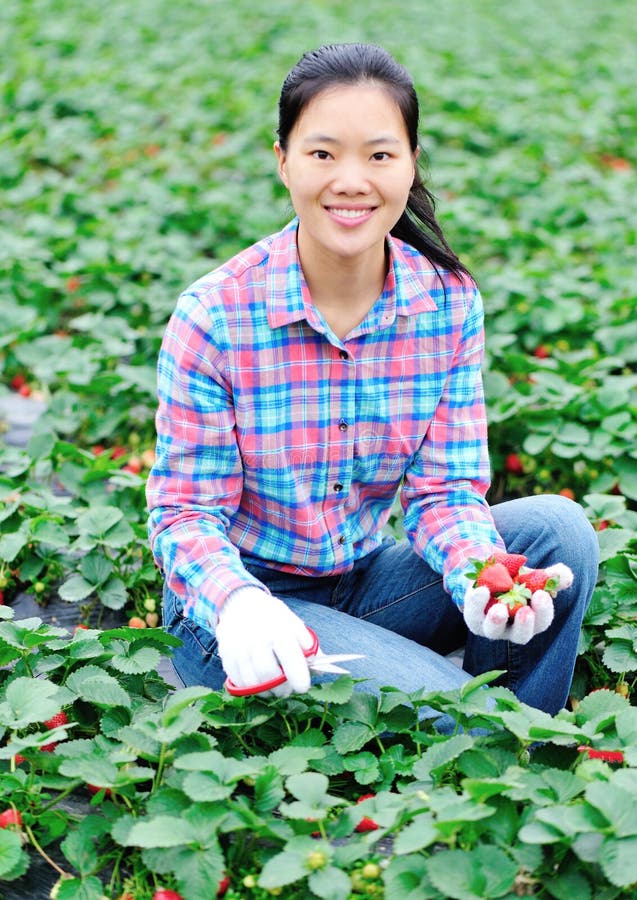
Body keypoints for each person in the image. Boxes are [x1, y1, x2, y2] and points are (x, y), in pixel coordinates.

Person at [146, 42, 598, 716]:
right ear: (283, 162)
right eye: (322, 154)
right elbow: (184, 512)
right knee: (468, 715)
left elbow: (444, 490)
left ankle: (511, 743)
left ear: (411, 162)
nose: (350, 180)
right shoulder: (217, 315)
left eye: (379, 155)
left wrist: (479, 574)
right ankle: (492, 736)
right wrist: (237, 604)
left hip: (363, 586)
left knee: (557, 530)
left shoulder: (445, 304)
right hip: (233, 618)